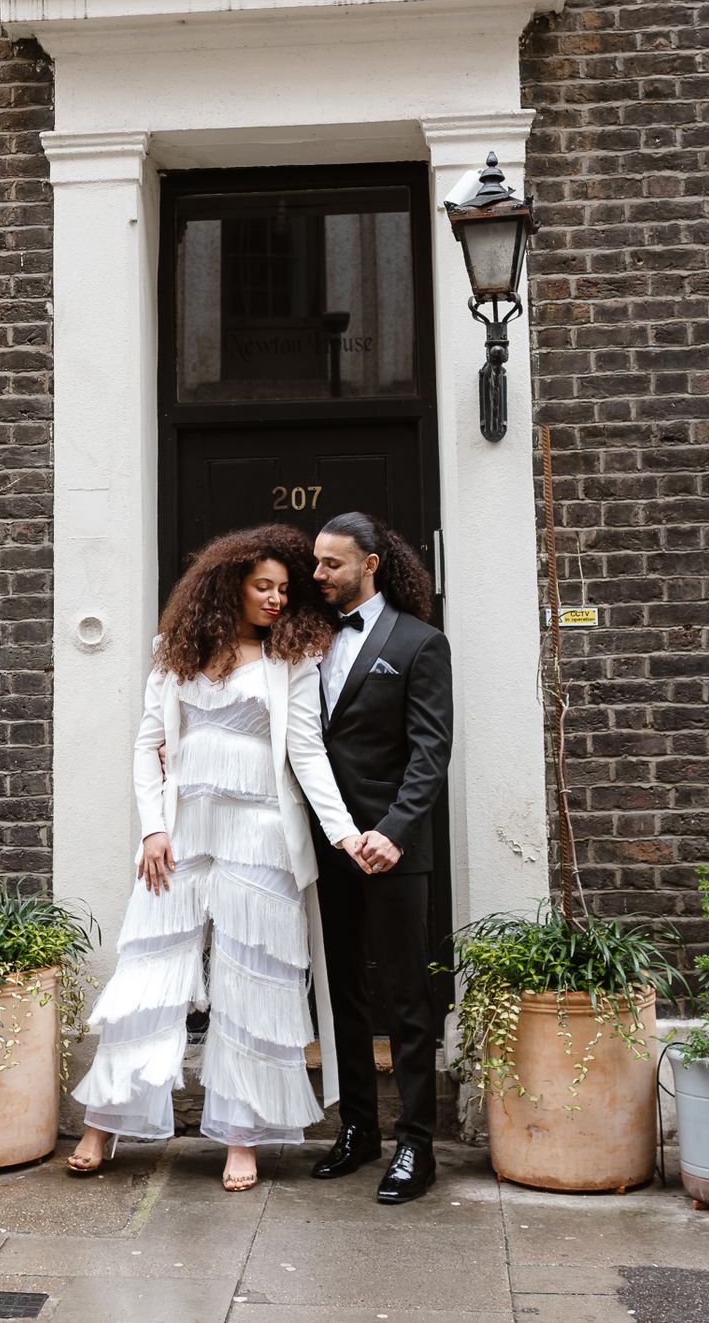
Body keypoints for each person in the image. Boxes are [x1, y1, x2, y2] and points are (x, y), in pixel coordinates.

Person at [65, 523, 378, 1192]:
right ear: (226, 584)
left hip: (262, 837)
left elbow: (307, 754)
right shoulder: (173, 655)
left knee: (252, 987)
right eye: (262, 585)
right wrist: (152, 829)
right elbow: (146, 746)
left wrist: (345, 831)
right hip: (180, 838)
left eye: (283, 590)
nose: (274, 598)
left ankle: (243, 1136)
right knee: (148, 973)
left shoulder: (291, 659)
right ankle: (102, 1123)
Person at [307, 510, 453, 1204]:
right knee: (346, 994)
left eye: (331, 563)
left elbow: (431, 752)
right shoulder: (305, 640)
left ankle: (416, 1144)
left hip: (395, 848)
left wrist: (392, 829)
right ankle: (359, 1129)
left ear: (369, 562)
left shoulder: (422, 643)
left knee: (406, 996)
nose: (318, 574)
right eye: (316, 562)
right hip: (331, 845)